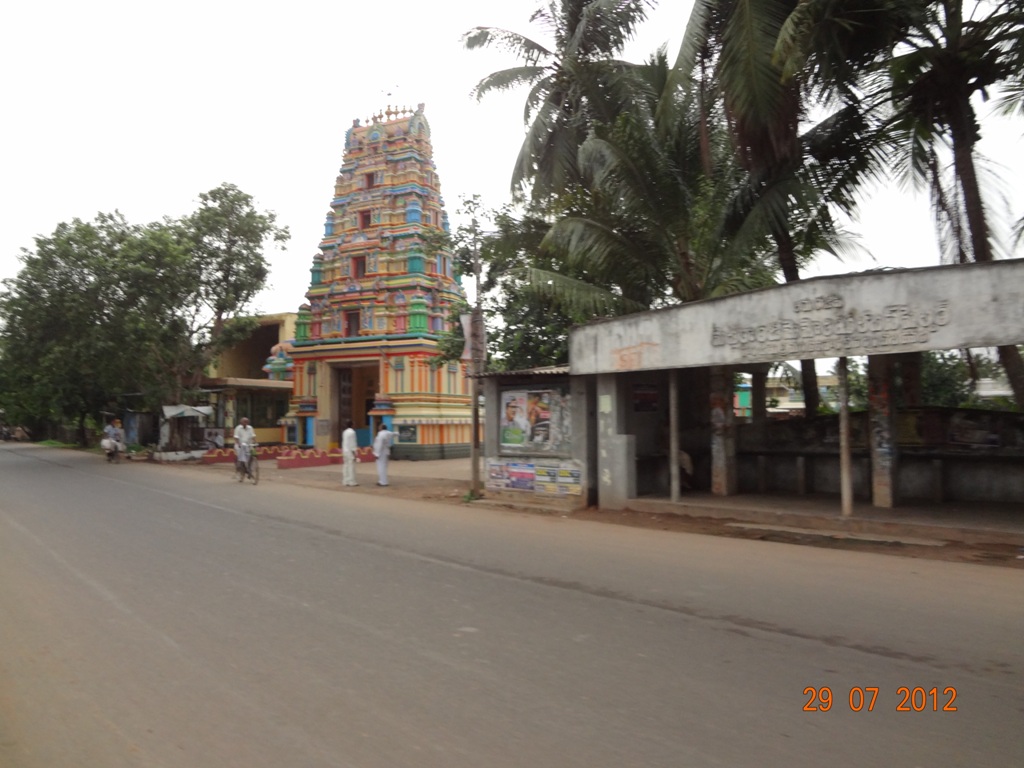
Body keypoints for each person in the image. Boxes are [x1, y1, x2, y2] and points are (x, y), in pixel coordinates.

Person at [372, 422, 394, 486]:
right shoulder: (388, 433)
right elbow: (394, 434)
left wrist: (377, 454)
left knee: (381, 467)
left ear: (381, 428)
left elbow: (379, 445)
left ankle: (383, 481)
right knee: (384, 467)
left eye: (379, 426)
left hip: (381, 452)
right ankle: (383, 480)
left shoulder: (381, 435)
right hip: (386, 452)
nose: (378, 428)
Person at [341, 419, 359, 486]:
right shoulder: (352, 432)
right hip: (350, 452)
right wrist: (355, 453)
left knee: (345, 466)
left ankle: (345, 480)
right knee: (351, 467)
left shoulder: (344, 432)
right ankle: (352, 481)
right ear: (352, 425)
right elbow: (353, 444)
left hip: (345, 451)